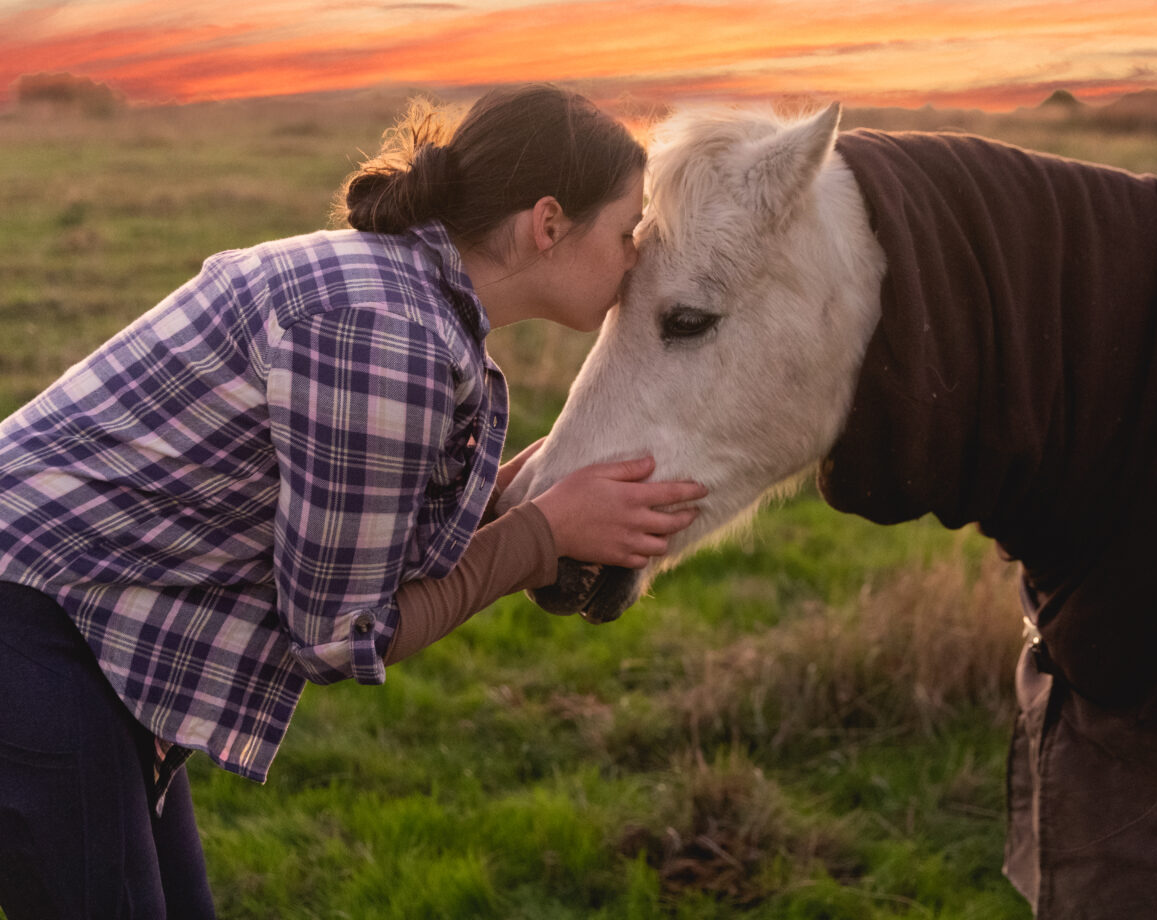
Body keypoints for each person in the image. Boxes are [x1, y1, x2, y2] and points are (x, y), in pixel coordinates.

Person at [0, 83, 707, 918]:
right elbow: (342, 636)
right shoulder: (386, 337)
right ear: (547, 223)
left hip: (86, 635)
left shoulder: (407, 302)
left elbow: (370, 536)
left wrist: (527, 491)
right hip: (37, 637)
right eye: (626, 231)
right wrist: (542, 536)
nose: (636, 258)